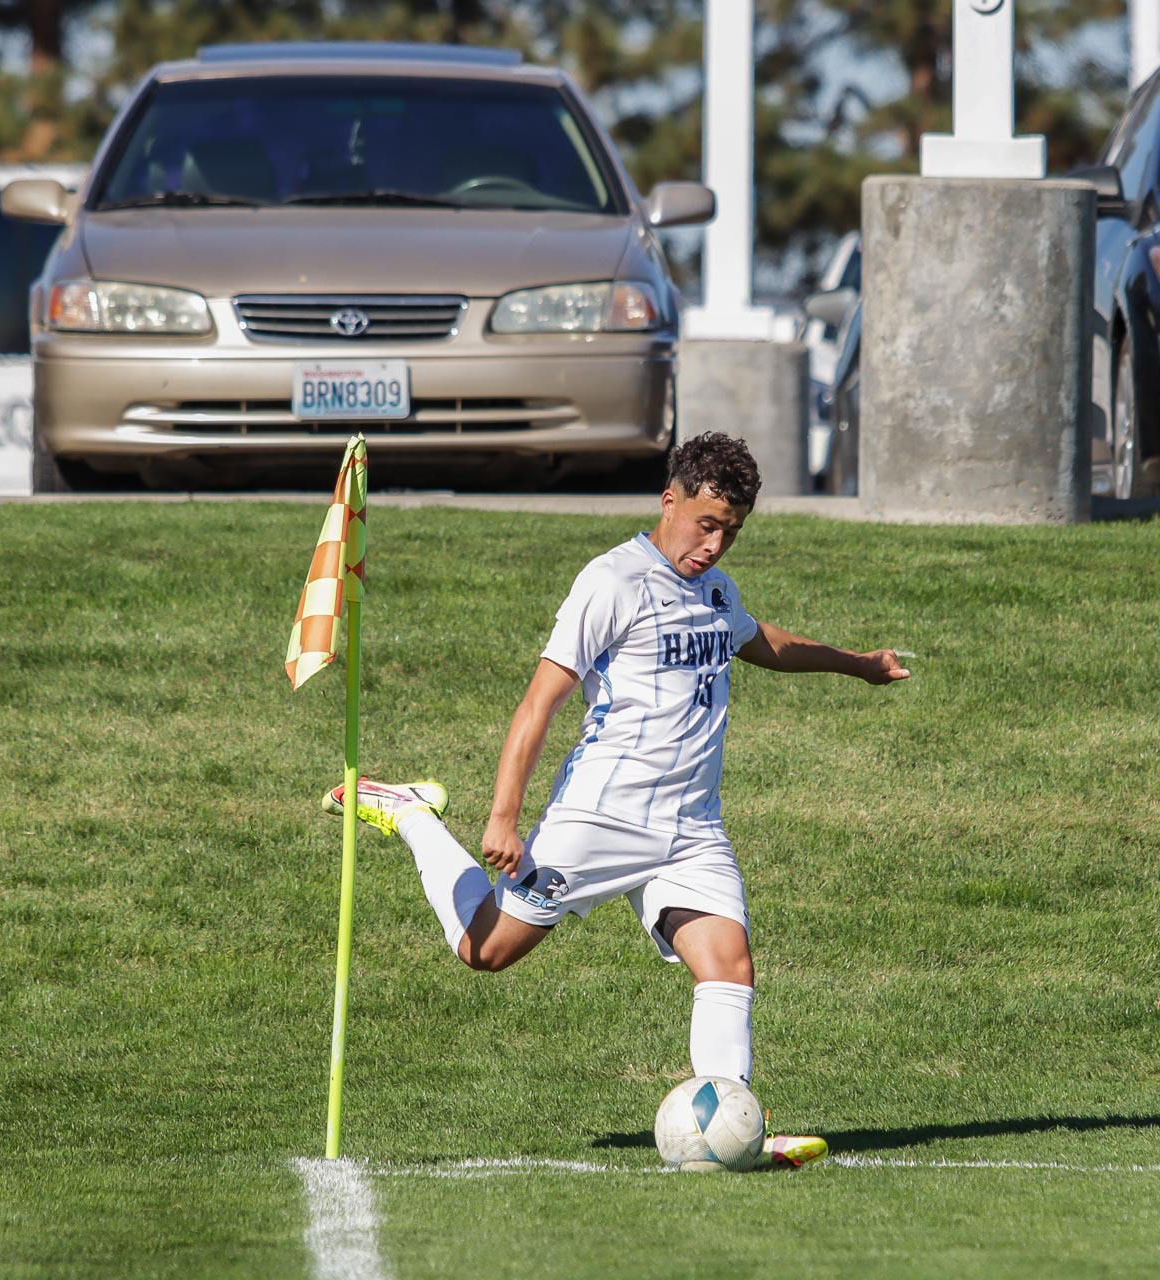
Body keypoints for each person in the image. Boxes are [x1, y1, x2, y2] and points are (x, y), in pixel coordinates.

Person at [323, 431, 910, 1167]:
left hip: (692, 829)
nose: (716, 543)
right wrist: (503, 816)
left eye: (731, 530)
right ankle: (411, 815)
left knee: (728, 967)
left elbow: (762, 642)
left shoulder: (714, 590)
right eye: (705, 523)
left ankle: (728, 1130)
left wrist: (860, 667)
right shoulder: (613, 581)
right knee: (485, 951)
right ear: (671, 501)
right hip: (601, 818)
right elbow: (539, 703)